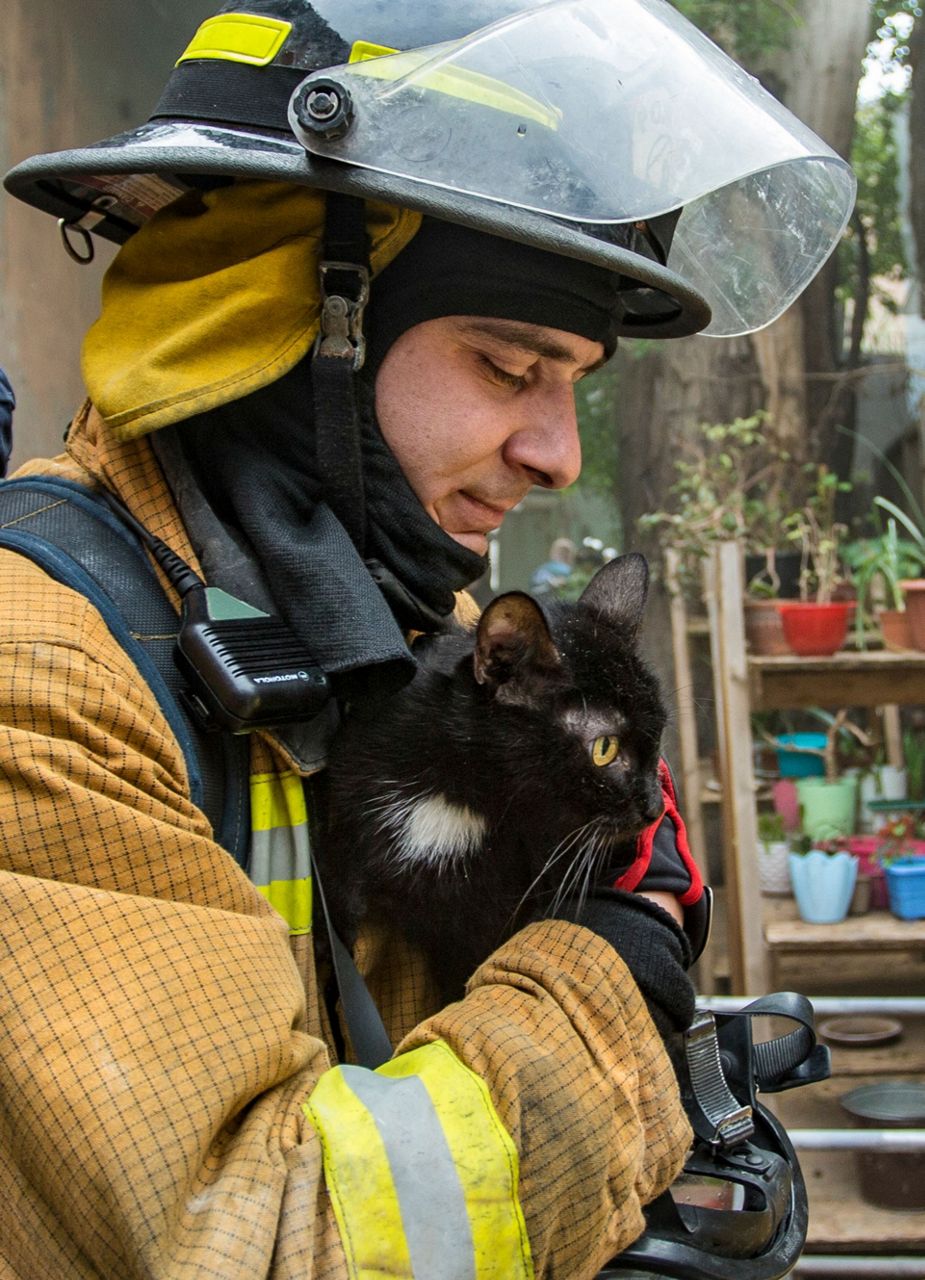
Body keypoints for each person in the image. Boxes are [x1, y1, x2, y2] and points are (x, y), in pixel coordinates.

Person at [0, 2, 854, 1277]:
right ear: (298, 322)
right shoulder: (47, 668)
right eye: (511, 366)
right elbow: (280, 1239)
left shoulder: (415, 633)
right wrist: (607, 983)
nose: (558, 453)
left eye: (574, 384)